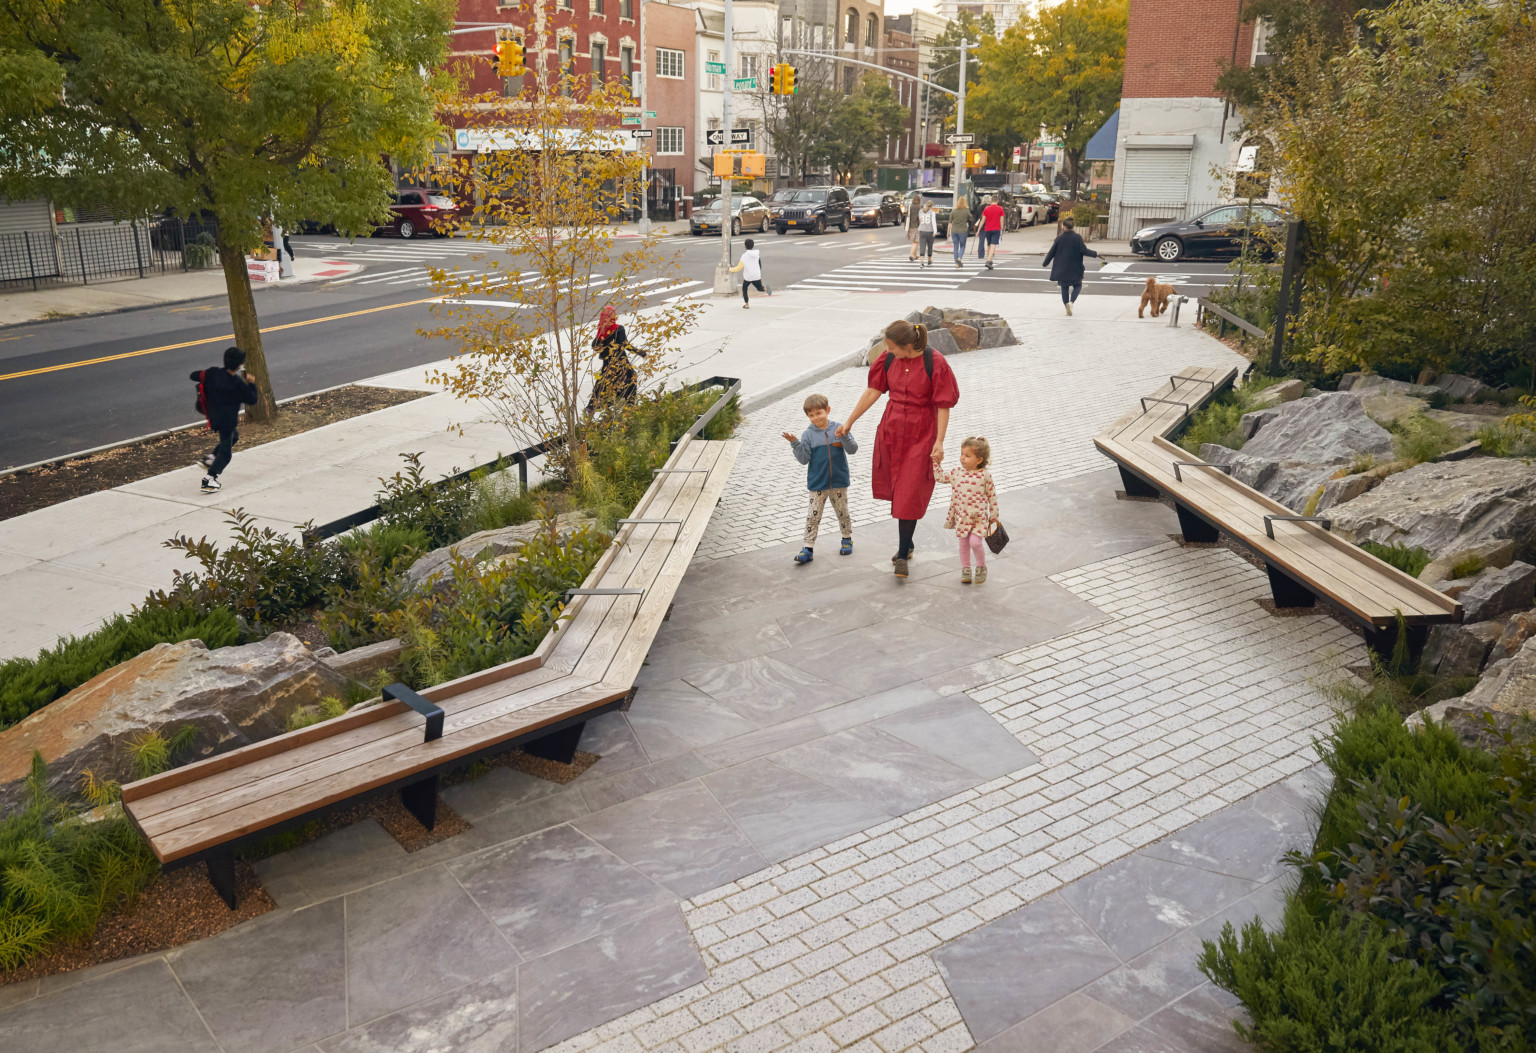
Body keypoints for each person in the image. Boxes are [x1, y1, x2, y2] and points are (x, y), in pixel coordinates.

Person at [836, 319, 959, 579]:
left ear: (908, 345)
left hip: (921, 433)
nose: (888, 351)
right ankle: (909, 543)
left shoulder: (935, 362)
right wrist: (849, 421)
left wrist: (939, 441)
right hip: (892, 429)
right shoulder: (889, 359)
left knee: (910, 491)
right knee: (898, 488)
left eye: (892, 347)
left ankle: (902, 555)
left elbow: (943, 405)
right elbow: (873, 391)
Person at [783, 393, 858, 564]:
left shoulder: (839, 428)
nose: (816, 418)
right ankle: (807, 548)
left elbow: (853, 450)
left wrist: (843, 436)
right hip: (817, 484)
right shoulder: (808, 435)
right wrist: (795, 443)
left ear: (827, 410)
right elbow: (803, 460)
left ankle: (847, 539)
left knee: (842, 512)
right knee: (812, 517)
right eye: (811, 415)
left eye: (819, 413)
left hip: (839, 481)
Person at [191, 345, 258, 493]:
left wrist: (203, 375)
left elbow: (194, 375)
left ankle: (211, 458)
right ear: (239, 365)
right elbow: (252, 400)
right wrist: (251, 383)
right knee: (226, 453)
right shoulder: (237, 384)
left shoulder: (212, 373)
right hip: (227, 421)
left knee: (234, 436)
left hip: (213, 416)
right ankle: (210, 479)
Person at [934, 437, 999, 585]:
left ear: (979, 460)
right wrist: (936, 463)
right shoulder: (957, 473)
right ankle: (966, 569)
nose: (962, 458)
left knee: (975, 542)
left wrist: (994, 514)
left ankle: (981, 566)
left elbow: (991, 495)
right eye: (962, 454)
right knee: (963, 544)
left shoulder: (984, 475)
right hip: (962, 517)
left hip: (978, 518)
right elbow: (940, 477)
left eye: (967, 455)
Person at [589, 305, 646, 412]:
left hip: (608, 362)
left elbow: (595, 346)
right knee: (632, 377)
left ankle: (592, 405)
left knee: (603, 381)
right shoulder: (618, 329)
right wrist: (640, 352)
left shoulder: (602, 331)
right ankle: (630, 404)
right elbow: (625, 345)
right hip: (621, 360)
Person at [1042, 215, 1099, 316]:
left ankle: (1066, 305)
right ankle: (1071, 302)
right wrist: (1095, 254)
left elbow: (1051, 252)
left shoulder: (1059, 238)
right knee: (1077, 285)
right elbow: (1083, 250)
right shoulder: (1077, 238)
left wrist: (1045, 263)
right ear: (1073, 226)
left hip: (1062, 268)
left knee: (1064, 287)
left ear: (1064, 227)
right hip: (1075, 267)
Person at [729, 238, 767, 308]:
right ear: (753, 245)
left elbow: (738, 268)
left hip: (748, 276)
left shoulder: (744, 256)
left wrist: (730, 269)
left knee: (744, 289)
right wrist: (757, 272)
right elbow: (760, 265)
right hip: (756, 275)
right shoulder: (757, 255)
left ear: (745, 246)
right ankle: (766, 289)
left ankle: (747, 304)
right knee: (760, 288)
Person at [979, 197, 1006, 270]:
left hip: (987, 229)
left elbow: (983, 220)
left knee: (989, 244)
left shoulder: (986, 209)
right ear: (997, 201)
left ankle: (989, 259)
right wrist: (1002, 228)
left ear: (991, 201)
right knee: (993, 244)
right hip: (996, 228)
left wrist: (978, 230)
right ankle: (988, 261)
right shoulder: (1000, 209)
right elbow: (1002, 220)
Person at [948, 195, 972, 269]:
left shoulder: (954, 211)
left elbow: (950, 222)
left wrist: (948, 232)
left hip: (954, 231)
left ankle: (956, 264)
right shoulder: (966, 210)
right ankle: (959, 259)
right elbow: (970, 218)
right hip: (962, 231)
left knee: (955, 247)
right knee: (962, 246)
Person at [917, 201, 938, 267]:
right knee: (930, 246)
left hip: (922, 230)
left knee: (922, 246)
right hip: (930, 231)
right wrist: (935, 231)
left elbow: (920, 220)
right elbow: (933, 222)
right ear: (931, 206)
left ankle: (921, 261)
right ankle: (929, 260)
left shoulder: (920, 211)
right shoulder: (932, 213)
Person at [906, 196, 923, 262]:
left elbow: (908, 216)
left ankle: (915, 255)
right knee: (916, 242)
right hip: (917, 226)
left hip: (911, 226)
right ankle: (911, 255)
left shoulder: (910, 206)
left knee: (914, 241)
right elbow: (920, 217)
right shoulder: (920, 207)